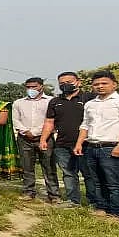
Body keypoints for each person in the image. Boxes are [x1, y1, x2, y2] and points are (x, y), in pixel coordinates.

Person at [73, 70, 119, 223]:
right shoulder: (90, 104)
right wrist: (79, 143)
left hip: (111, 146)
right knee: (96, 180)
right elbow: (85, 124)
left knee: (113, 182)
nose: (100, 86)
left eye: (104, 83)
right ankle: (102, 207)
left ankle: (116, 213)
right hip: (92, 145)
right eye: (96, 84)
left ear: (114, 84)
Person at [39, 71, 97, 208]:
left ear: (78, 82)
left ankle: (94, 201)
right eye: (62, 83)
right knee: (68, 174)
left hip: (86, 144)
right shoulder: (55, 101)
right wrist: (43, 139)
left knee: (89, 174)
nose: (65, 85)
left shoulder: (90, 98)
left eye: (69, 82)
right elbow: (49, 122)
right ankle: (73, 200)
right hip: (62, 144)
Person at [12, 77, 59, 203]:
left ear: (41, 87)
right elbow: (16, 120)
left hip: (46, 138)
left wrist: (37, 132)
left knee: (49, 166)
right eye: (28, 87)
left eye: (34, 87)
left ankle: (54, 194)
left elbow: (52, 121)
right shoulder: (18, 103)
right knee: (27, 166)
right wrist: (26, 132)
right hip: (24, 138)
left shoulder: (51, 101)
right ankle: (28, 191)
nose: (31, 89)